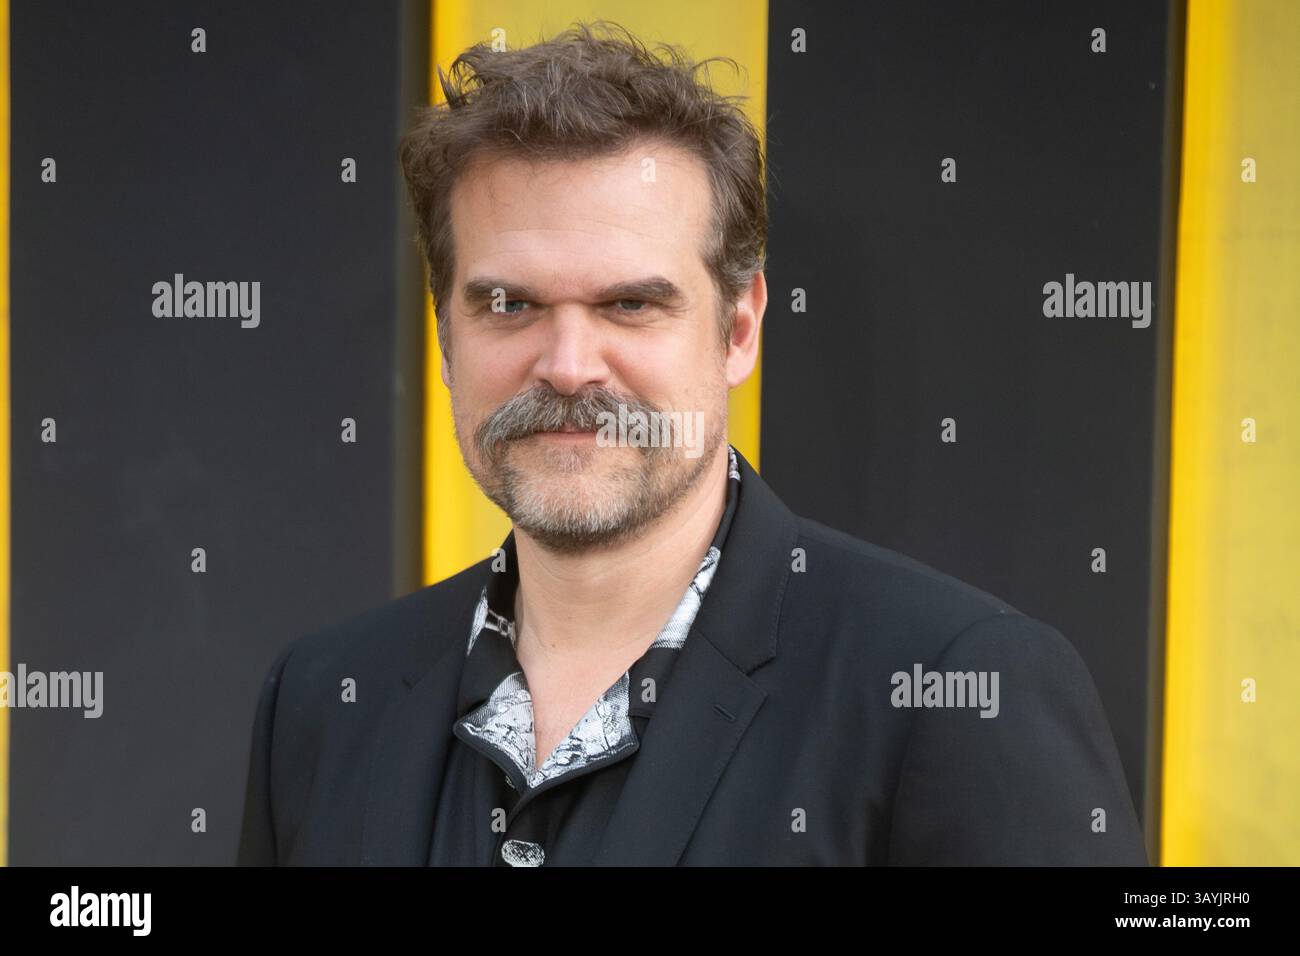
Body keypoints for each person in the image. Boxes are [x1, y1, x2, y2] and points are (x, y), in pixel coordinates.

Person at [237, 20, 1148, 866]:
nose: (566, 365)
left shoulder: (956, 690)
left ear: (740, 328)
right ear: (445, 336)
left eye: (630, 303)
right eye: (508, 304)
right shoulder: (323, 698)